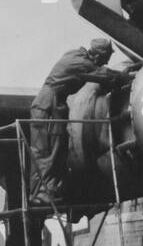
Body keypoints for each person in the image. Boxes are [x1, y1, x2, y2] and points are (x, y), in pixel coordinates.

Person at [28, 38, 128, 205]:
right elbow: (103, 74)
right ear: (98, 56)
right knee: (49, 151)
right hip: (49, 106)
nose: (105, 62)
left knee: (53, 148)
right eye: (105, 59)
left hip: (51, 105)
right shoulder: (82, 63)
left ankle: (46, 192)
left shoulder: (75, 54)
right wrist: (125, 76)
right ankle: (43, 195)